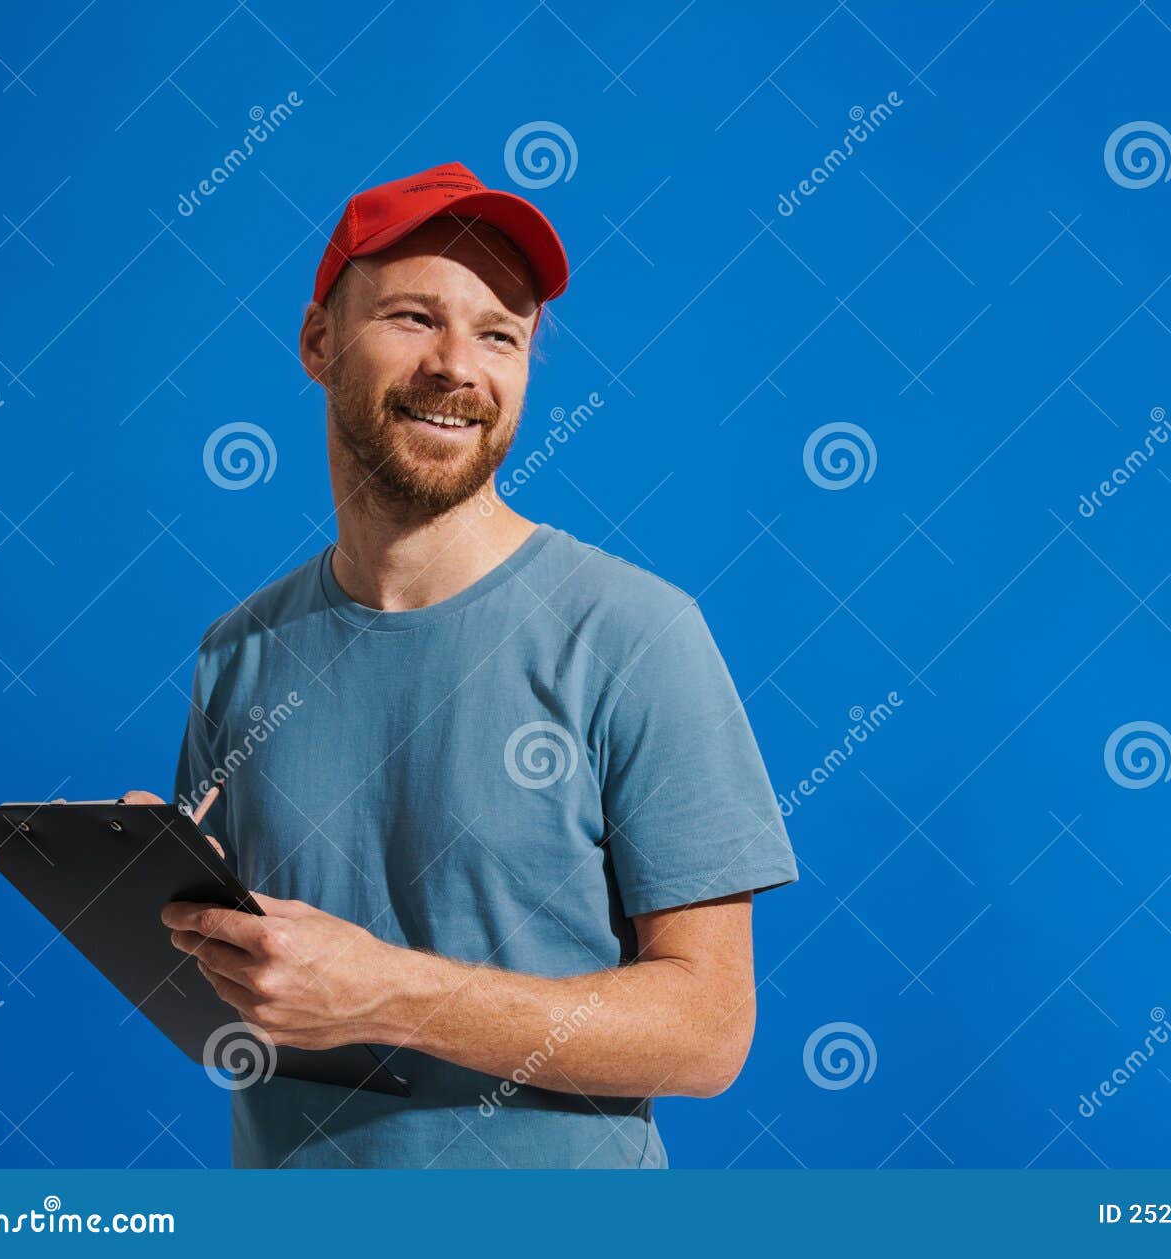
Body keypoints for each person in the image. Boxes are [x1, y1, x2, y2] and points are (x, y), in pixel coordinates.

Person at [125, 161, 796, 1169]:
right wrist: (175, 908)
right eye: (411, 317)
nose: (457, 365)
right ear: (317, 341)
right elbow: (256, 996)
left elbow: (708, 1030)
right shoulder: (239, 651)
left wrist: (388, 989)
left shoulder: (635, 634)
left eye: (499, 332)